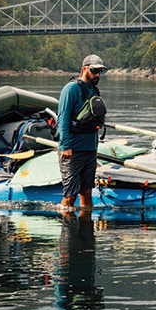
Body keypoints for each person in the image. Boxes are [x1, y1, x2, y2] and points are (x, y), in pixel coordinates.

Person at [57, 53, 106, 212]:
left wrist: (95, 147)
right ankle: (69, 231)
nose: (97, 75)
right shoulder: (71, 89)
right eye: (94, 71)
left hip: (90, 149)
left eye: (100, 72)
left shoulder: (95, 91)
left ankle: (86, 232)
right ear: (84, 69)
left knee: (86, 192)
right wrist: (65, 146)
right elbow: (62, 118)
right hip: (72, 150)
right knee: (70, 195)